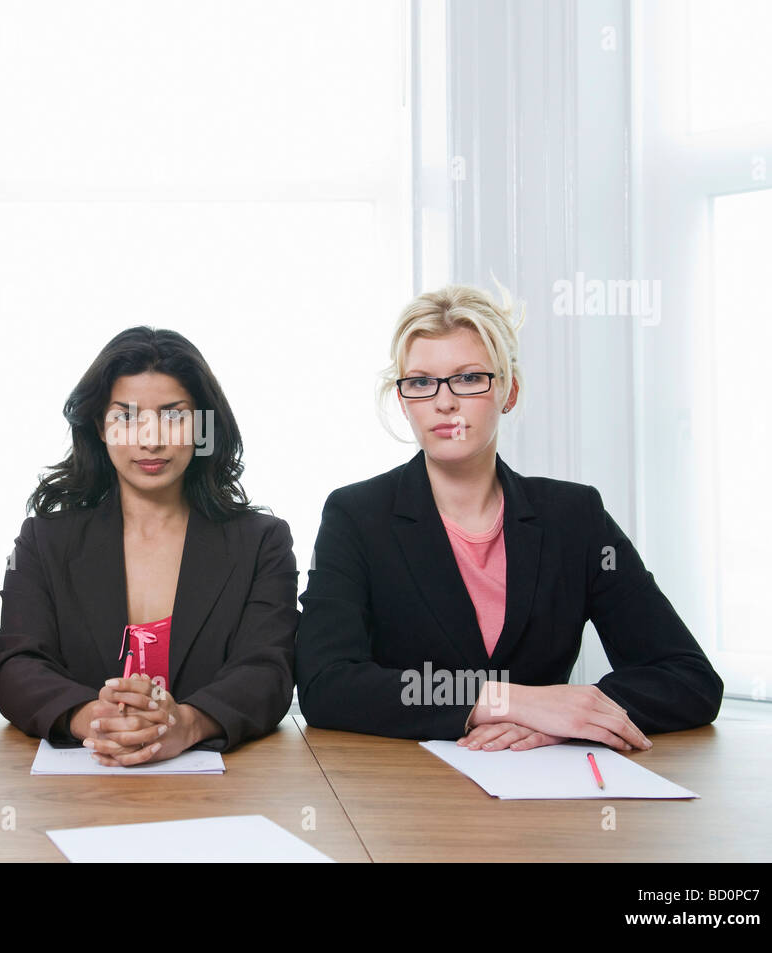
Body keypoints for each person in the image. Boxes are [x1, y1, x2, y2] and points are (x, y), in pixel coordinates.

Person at [295, 284, 723, 752]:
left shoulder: (574, 518)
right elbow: (326, 684)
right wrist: (503, 701)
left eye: (468, 378)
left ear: (509, 391)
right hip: (409, 795)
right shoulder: (356, 516)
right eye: (420, 382)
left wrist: (566, 716)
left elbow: (688, 677)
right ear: (403, 400)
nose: (444, 402)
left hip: (547, 791)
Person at [0, 327, 298, 765]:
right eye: (127, 416)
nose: (150, 439)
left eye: (174, 416)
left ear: (203, 425)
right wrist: (92, 718)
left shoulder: (262, 542)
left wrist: (188, 723)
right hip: (76, 795)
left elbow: (269, 672)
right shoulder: (44, 540)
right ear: (100, 426)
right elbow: (16, 666)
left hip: (226, 796)